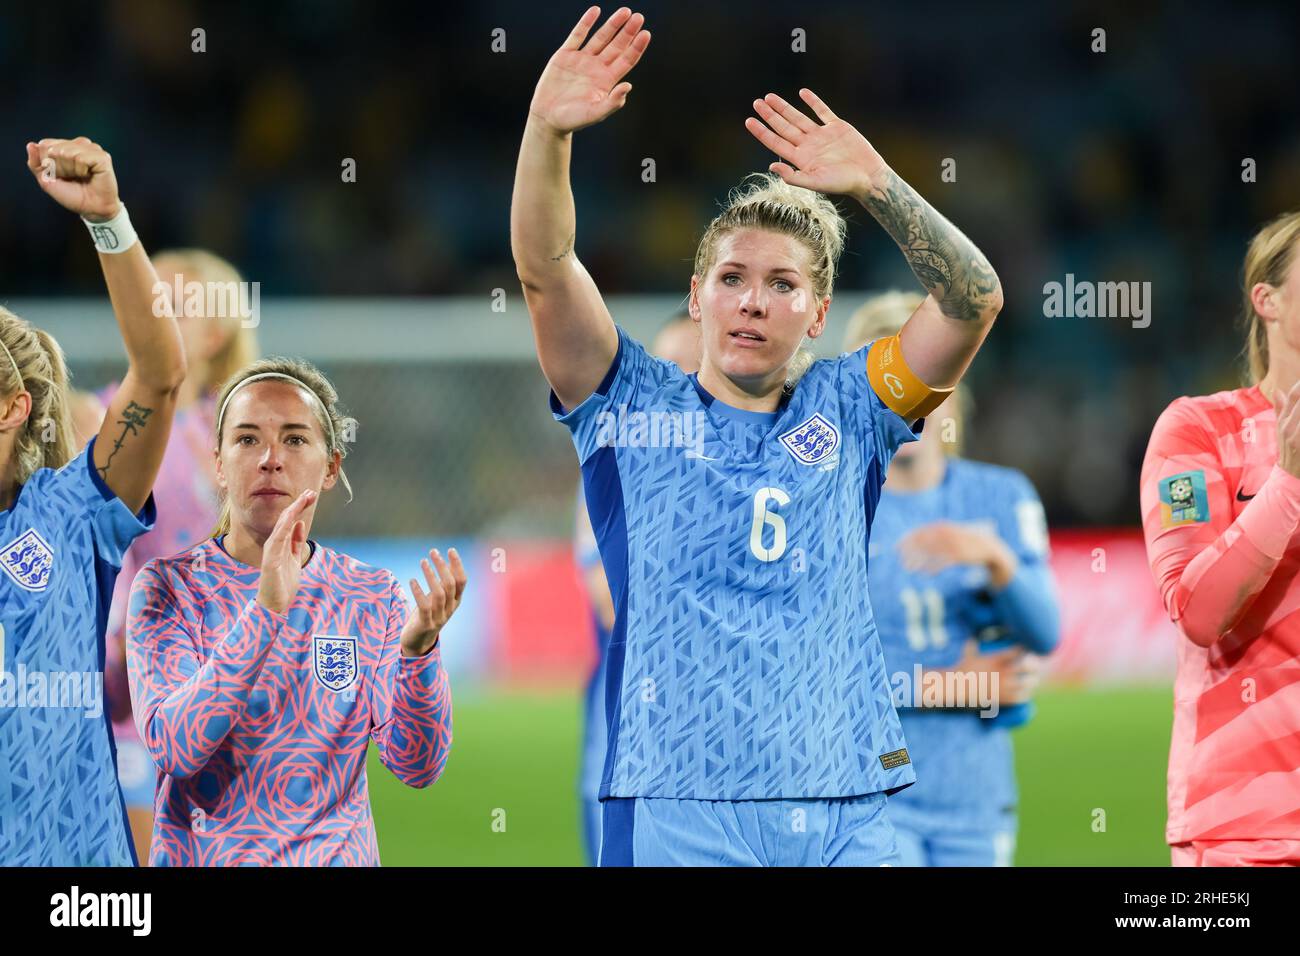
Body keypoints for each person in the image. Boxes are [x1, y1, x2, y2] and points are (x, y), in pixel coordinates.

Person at [513, 7, 1002, 865]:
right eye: (732, 278)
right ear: (698, 295)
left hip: (848, 796)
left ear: (816, 313)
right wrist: (545, 132)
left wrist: (879, 183)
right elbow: (546, 270)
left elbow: (974, 301)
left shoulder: (856, 406)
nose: (751, 300)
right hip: (683, 797)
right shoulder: (627, 403)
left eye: (781, 284)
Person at [125, 358, 463, 865]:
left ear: (331, 467)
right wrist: (267, 612)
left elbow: (418, 765)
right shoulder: (169, 588)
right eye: (246, 440)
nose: (270, 459)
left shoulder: (370, 595)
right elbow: (177, 748)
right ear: (217, 463)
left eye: (295, 439)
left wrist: (418, 654)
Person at [0, 136, 186, 865]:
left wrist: (108, 222)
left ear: (12, 408)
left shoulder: (74, 514)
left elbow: (160, 374)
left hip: (78, 879)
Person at [847, 291, 1059, 866]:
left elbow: (1044, 634)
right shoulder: (835, 509)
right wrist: (945, 686)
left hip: (976, 800)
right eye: (897, 385)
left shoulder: (999, 496)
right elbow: (817, 680)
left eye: (931, 379)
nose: (915, 402)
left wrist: (997, 559)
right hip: (872, 795)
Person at [73, 248, 259, 864]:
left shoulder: (242, 434)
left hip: (233, 708)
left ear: (215, 331)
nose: (149, 314)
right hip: (131, 706)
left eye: (171, 305)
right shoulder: (93, 420)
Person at [1141, 210, 1300, 867]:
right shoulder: (1197, 431)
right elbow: (1199, 613)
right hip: (1247, 827)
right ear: (1267, 299)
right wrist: (1288, 483)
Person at [574, 312, 699, 865]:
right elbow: (613, 600)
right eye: (668, 370)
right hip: (631, 738)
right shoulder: (613, 468)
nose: (680, 385)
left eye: (693, 370)